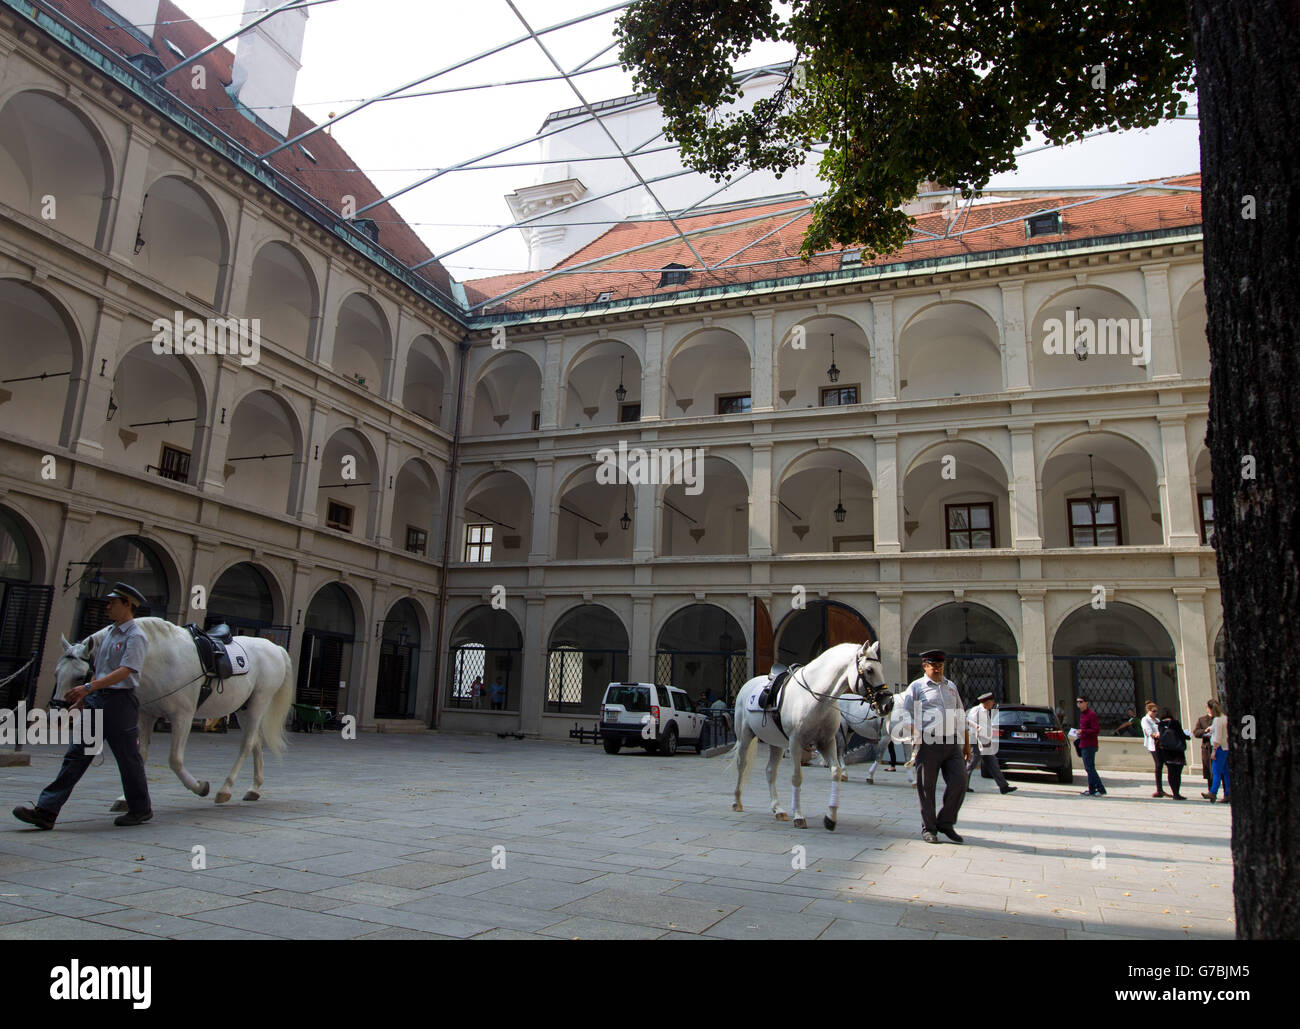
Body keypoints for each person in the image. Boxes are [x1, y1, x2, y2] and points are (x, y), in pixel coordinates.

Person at [13, 583, 153, 830]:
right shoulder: (110, 632)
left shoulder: (136, 636)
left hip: (120, 703)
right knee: (77, 755)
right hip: (99, 699)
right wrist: (84, 699)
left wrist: (88, 688)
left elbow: (126, 671)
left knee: (128, 758)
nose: (107, 606)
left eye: (113, 602)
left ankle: (140, 809)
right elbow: (102, 670)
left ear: (127, 605)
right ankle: (46, 811)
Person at [894, 650, 969, 844]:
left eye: (940, 666)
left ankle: (945, 822)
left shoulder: (951, 686)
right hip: (928, 742)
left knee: (960, 782)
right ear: (925, 666)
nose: (937, 669)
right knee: (926, 787)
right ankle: (929, 828)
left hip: (951, 743)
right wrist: (915, 731)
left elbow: (960, 714)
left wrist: (967, 743)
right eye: (933, 666)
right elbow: (905, 713)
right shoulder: (916, 687)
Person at [966, 692, 1017, 794]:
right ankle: (962, 785)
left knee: (993, 764)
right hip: (977, 741)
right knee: (971, 764)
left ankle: (1003, 787)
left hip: (986, 742)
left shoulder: (986, 711)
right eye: (992, 702)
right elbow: (969, 723)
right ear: (987, 702)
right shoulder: (976, 710)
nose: (993, 704)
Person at [1155, 706, 1191, 799]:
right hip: (1177, 750)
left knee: (1171, 772)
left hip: (1167, 751)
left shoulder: (1160, 724)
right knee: (1177, 773)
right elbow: (1181, 735)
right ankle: (1177, 793)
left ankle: (1174, 792)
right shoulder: (1175, 723)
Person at [1075, 695, 1107, 796]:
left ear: (1086, 703)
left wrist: (1083, 731)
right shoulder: (1083, 715)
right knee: (1088, 768)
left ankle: (1101, 788)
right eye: (1077, 702)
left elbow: (1096, 730)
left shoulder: (1091, 715)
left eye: (1081, 702)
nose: (1079, 704)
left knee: (1090, 768)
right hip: (1083, 743)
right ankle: (1092, 789)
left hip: (1090, 744)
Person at [1202, 700, 1229, 803]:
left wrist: (1214, 750)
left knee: (1216, 771)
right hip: (1226, 747)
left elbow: (1217, 737)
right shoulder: (1224, 718)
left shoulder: (1217, 720)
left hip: (1219, 747)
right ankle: (1228, 793)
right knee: (1226, 772)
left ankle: (1213, 792)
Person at [1141, 700, 1164, 796]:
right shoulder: (1145, 720)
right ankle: (1159, 788)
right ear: (1148, 711)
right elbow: (1148, 731)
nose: (1155, 713)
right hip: (1153, 744)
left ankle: (1160, 788)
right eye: (1153, 711)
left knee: (1161, 764)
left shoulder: (1158, 720)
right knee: (1158, 764)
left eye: (1156, 711)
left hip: (1161, 744)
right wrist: (1156, 734)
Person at [1192, 700, 1215, 784]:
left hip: (1219, 747)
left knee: (1221, 771)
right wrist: (1205, 731)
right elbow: (1196, 732)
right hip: (1207, 747)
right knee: (1210, 771)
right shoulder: (1202, 720)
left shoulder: (1219, 719)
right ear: (1207, 709)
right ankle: (1211, 791)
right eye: (1211, 708)